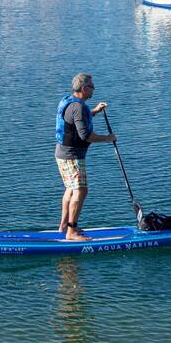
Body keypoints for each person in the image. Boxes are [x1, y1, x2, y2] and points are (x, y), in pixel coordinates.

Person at [55, 73, 113, 241]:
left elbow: (76, 120)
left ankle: (64, 226)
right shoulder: (78, 107)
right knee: (81, 190)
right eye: (92, 86)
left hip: (62, 154)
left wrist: (94, 111)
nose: (94, 89)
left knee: (71, 189)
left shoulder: (70, 101)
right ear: (84, 88)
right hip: (72, 156)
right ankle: (71, 232)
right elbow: (85, 135)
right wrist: (107, 138)